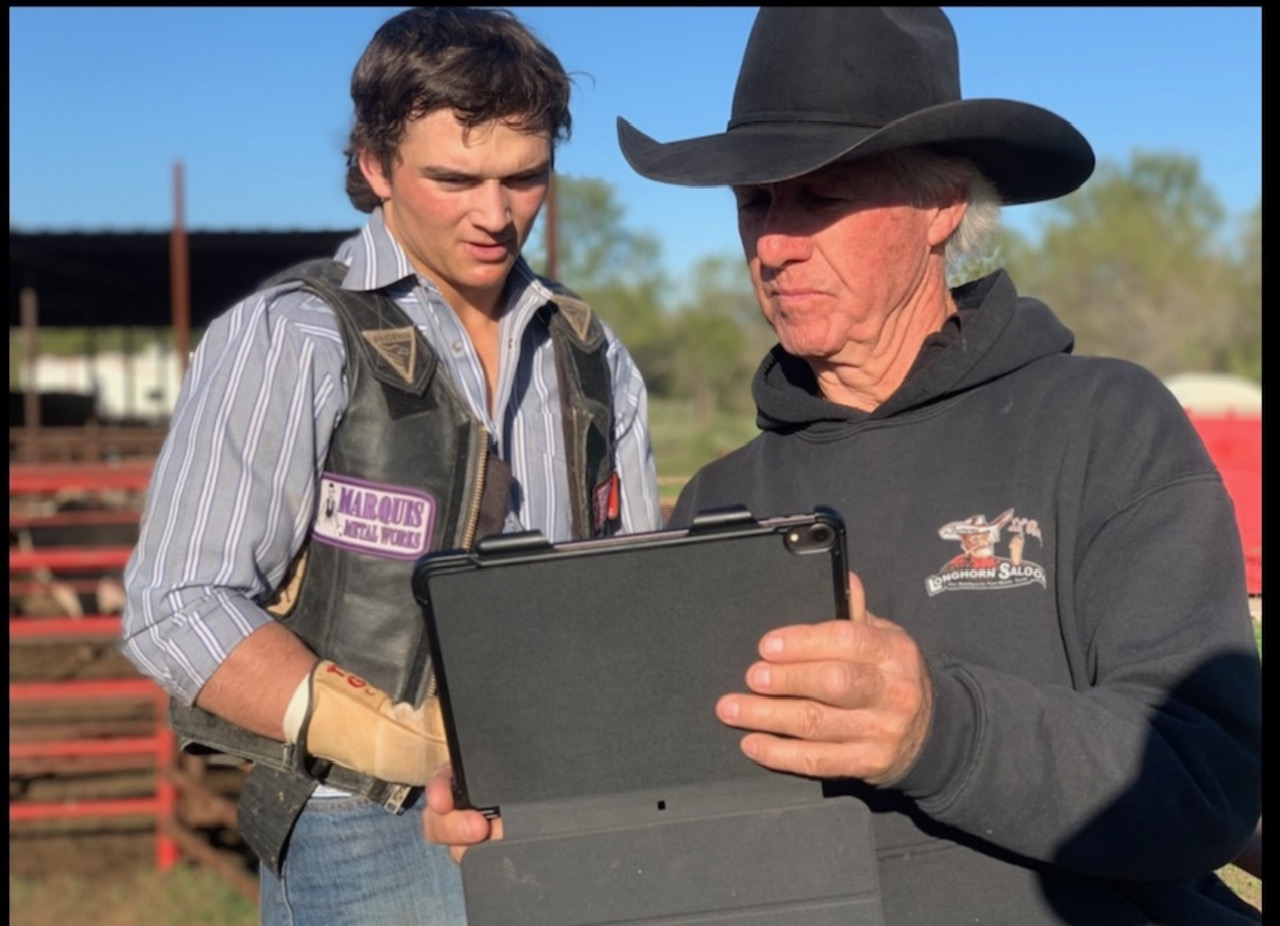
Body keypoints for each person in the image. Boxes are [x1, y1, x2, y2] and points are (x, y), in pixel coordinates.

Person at [425, 8, 1261, 924]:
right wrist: (551, 839)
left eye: (819, 197)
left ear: (941, 205)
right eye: (755, 203)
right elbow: (698, 836)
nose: (774, 245)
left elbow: (1208, 780)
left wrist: (938, 731)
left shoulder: (1105, 424)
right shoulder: (725, 500)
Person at [120, 7, 661, 926]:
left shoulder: (588, 351)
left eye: (524, 177)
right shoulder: (292, 335)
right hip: (362, 826)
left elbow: (635, 578)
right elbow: (176, 604)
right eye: (455, 178)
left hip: (563, 801)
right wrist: (404, 738)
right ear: (375, 166)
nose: (496, 214)